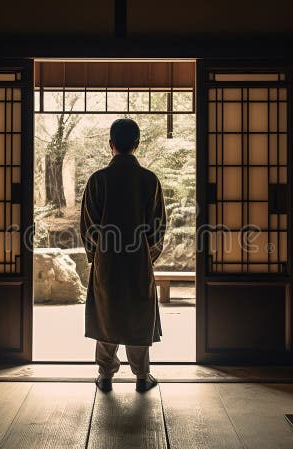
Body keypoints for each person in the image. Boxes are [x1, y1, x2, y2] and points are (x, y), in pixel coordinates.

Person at [80, 118, 167, 393]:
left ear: (111, 144)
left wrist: (97, 255)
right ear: (137, 144)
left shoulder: (98, 180)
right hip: (138, 260)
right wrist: (146, 255)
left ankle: (105, 376)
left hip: (107, 260)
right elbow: (158, 227)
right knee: (139, 314)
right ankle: (142, 376)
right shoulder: (149, 180)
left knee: (107, 314)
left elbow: (88, 227)